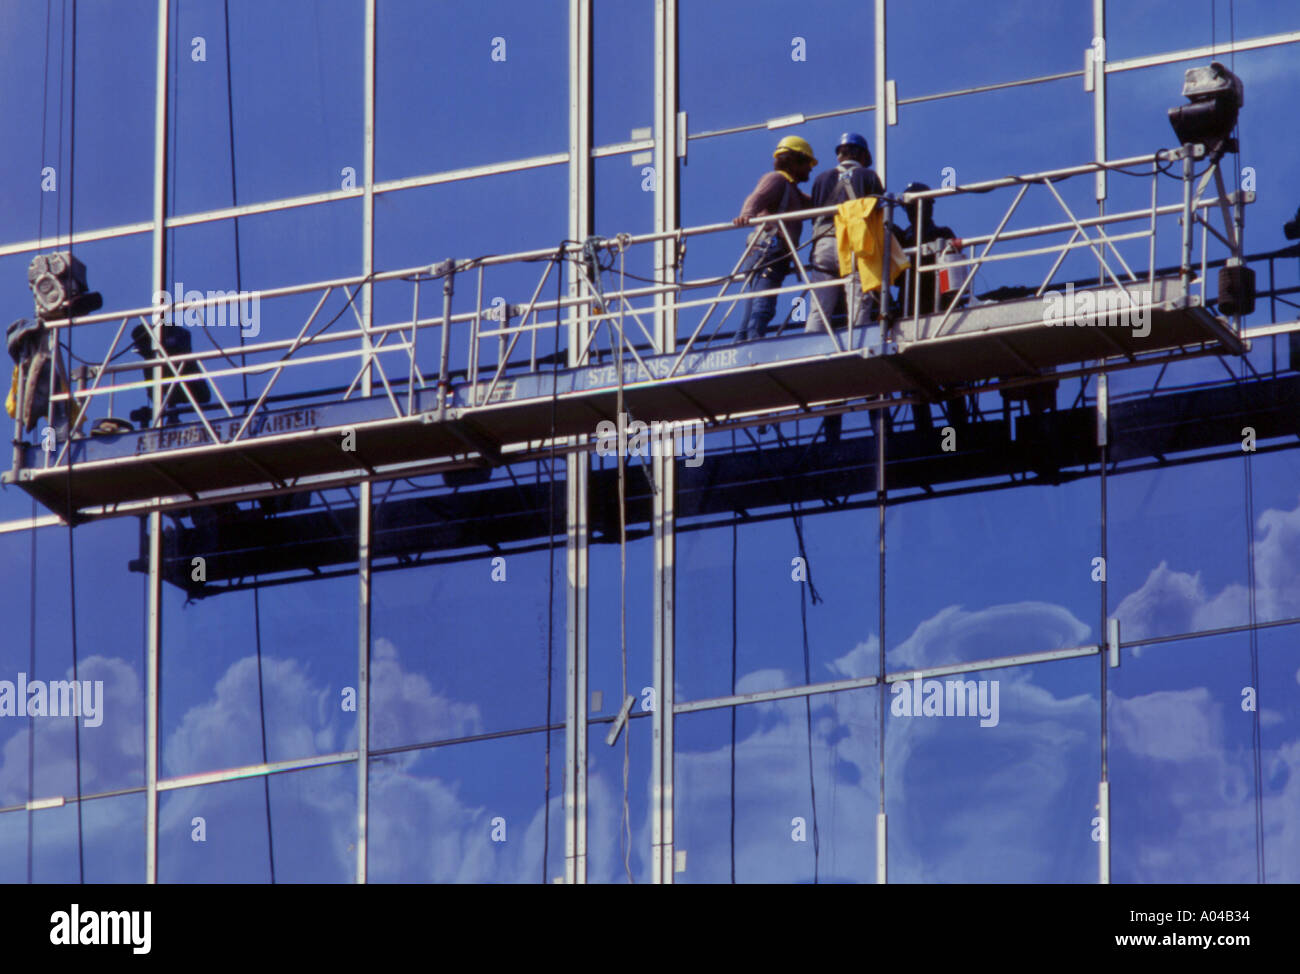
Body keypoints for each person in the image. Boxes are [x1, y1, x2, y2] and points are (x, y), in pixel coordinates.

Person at [894, 182, 968, 430]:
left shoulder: (940, 234)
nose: (916, 210)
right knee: (919, 378)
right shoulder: (902, 237)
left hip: (933, 310)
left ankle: (957, 431)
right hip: (912, 310)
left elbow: (954, 273)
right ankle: (929, 432)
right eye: (912, 206)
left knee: (949, 375)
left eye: (919, 205)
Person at [732, 136, 816, 342]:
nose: (810, 169)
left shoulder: (793, 191)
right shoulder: (776, 180)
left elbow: (815, 205)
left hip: (772, 252)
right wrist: (747, 214)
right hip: (768, 250)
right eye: (807, 164)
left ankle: (743, 340)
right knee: (763, 302)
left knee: (755, 301)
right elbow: (756, 198)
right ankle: (752, 341)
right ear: (794, 160)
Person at [806, 133, 884, 336]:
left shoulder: (821, 179)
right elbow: (878, 214)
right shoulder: (868, 176)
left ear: (840, 155)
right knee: (858, 299)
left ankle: (810, 342)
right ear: (862, 155)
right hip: (853, 242)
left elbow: (814, 216)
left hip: (823, 244)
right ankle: (859, 339)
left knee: (819, 307)